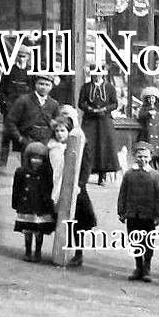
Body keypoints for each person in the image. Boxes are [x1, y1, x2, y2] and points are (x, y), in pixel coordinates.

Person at [117, 141, 159, 282]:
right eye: (139, 156)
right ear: (134, 157)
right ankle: (138, 267)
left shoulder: (154, 175)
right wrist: (121, 211)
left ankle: (147, 268)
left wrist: (158, 214)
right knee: (134, 242)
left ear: (150, 157)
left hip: (148, 216)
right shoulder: (129, 174)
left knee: (148, 242)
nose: (142, 159)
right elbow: (122, 193)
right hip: (133, 214)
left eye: (145, 156)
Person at [58, 105, 95, 267]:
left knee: (77, 222)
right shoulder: (58, 138)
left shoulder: (81, 138)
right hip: (60, 184)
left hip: (77, 186)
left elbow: (86, 165)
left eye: (69, 118)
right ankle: (59, 251)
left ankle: (78, 253)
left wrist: (80, 184)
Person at [12, 141, 55, 262]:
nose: (36, 161)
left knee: (38, 231)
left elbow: (49, 189)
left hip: (40, 206)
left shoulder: (46, 174)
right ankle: (27, 251)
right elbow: (16, 189)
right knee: (27, 230)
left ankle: (37, 252)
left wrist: (49, 205)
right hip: (26, 206)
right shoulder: (21, 172)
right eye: (33, 158)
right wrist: (15, 204)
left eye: (39, 158)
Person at [78, 64, 120, 185]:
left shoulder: (109, 87)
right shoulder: (85, 87)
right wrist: (90, 109)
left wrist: (105, 109)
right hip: (89, 121)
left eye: (99, 73)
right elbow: (81, 103)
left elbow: (115, 104)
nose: (96, 76)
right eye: (94, 74)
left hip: (104, 121)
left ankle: (102, 176)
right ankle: (85, 175)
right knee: (88, 146)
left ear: (103, 74)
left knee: (103, 147)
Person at [5, 73, 60, 152]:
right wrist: (19, 138)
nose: (44, 87)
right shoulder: (24, 100)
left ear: (51, 87)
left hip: (45, 144)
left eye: (47, 85)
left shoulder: (54, 104)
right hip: (27, 143)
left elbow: (57, 124)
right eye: (41, 84)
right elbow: (10, 122)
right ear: (35, 84)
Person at [136, 86, 159, 163]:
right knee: (149, 145)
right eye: (149, 98)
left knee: (158, 147)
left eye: (153, 98)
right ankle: (150, 161)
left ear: (156, 98)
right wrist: (148, 113)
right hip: (148, 131)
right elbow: (140, 116)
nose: (151, 100)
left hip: (158, 130)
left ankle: (156, 161)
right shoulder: (144, 107)